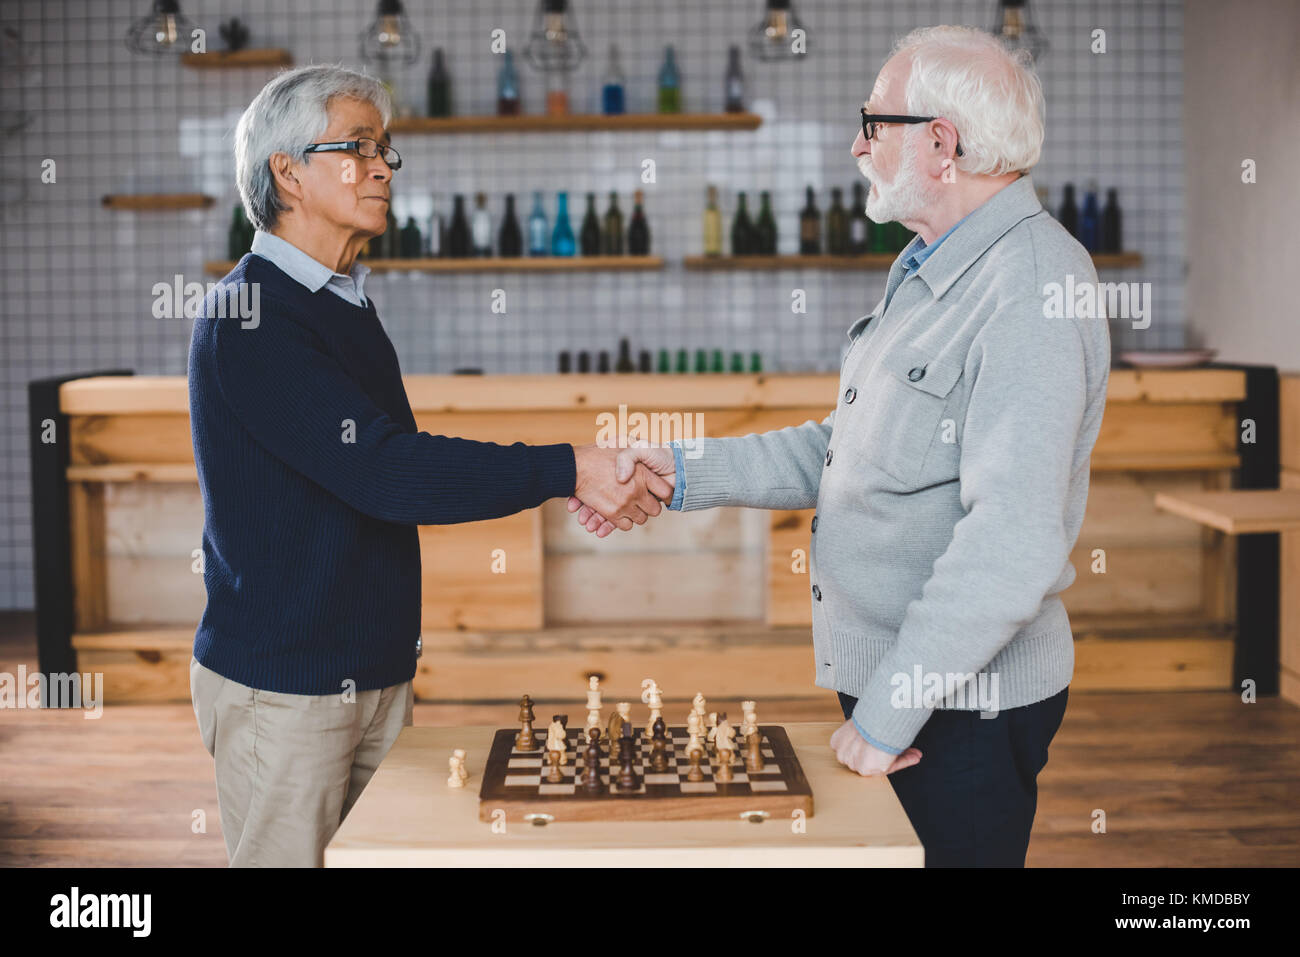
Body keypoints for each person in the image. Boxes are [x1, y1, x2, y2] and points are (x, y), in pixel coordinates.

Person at [568, 25, 1110, 867]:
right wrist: (680, 472)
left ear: (941, 142)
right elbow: (847, 449)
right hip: (914, 686)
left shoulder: (1034, 283)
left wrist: (891, 709)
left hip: (958, 705)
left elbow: (1012, 542)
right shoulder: (932, 267)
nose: (858, 144)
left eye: (875, 122)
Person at [188, 64, 670, 867]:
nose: (383, 167)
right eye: (359, 147)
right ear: (287, 172)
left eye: (386, 150)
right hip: (288, 688)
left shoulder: (341, 300)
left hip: (371, 670)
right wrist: (570, 468)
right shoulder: (252, 316)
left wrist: (573, 470)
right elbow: (383, 472)